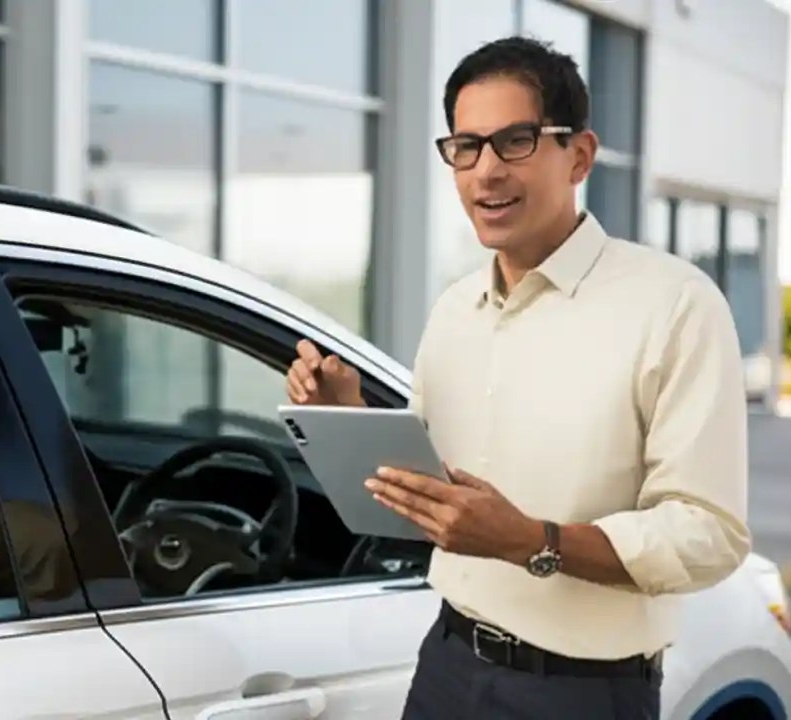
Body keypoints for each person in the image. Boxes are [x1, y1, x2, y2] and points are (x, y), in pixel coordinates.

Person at [286, 36, 750, 719]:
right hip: (446, 663)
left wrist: (535, 541)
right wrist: (350, 422)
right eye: (465, 147)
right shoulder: (454, 311)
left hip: (583, 692)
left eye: (516, 141)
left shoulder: (675, 304)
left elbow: (710, 534)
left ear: (580, 156)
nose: (485, 172)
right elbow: (433, 508)